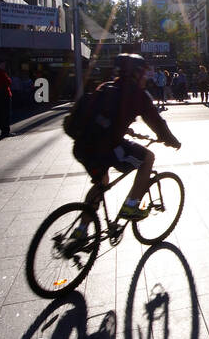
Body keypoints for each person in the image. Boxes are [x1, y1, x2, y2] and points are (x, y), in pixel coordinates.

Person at [72, 54, 180, 234]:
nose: (146, 77)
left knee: (101, 183)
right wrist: (172, 141)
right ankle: (131, 206)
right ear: (136, 73)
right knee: (148, 158)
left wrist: (125, 130)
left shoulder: (105, 87)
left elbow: (103, 119)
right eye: (145, 73)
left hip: (82, 147)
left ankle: (81, 231)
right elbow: (157, 123)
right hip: (105, 148)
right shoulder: (138, 95)